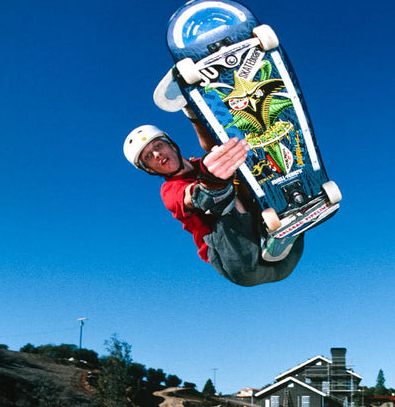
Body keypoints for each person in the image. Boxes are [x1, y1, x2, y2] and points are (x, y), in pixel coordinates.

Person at [123, 120, 304, 287]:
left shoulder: (205, 163)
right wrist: (211, 182)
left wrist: (192, 112)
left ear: (171, 145)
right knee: (217, 193)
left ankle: (296, 200)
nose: (156, 154)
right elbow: (192, 197)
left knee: (235, 162)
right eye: (148, 157)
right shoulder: (169, 190)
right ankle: (281, 217)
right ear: (149, 169)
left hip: (288, 254)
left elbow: (213, 145)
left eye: (159, 145)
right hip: (243, 262)